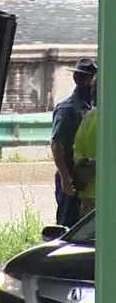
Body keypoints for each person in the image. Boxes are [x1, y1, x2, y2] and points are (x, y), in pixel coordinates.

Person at [51, 58, 97, 226]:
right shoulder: (67, 109)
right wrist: (65, 177)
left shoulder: (91, 109)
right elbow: (57, 145)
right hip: (71, 175)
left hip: (84, 175)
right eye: (88, 78)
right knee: (68, 223)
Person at [71, 105, 100, 216]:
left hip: (89, 194)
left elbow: (77, 152)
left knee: (88, 232)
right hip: (106, 194)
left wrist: (88, 165)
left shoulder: (91, 116)